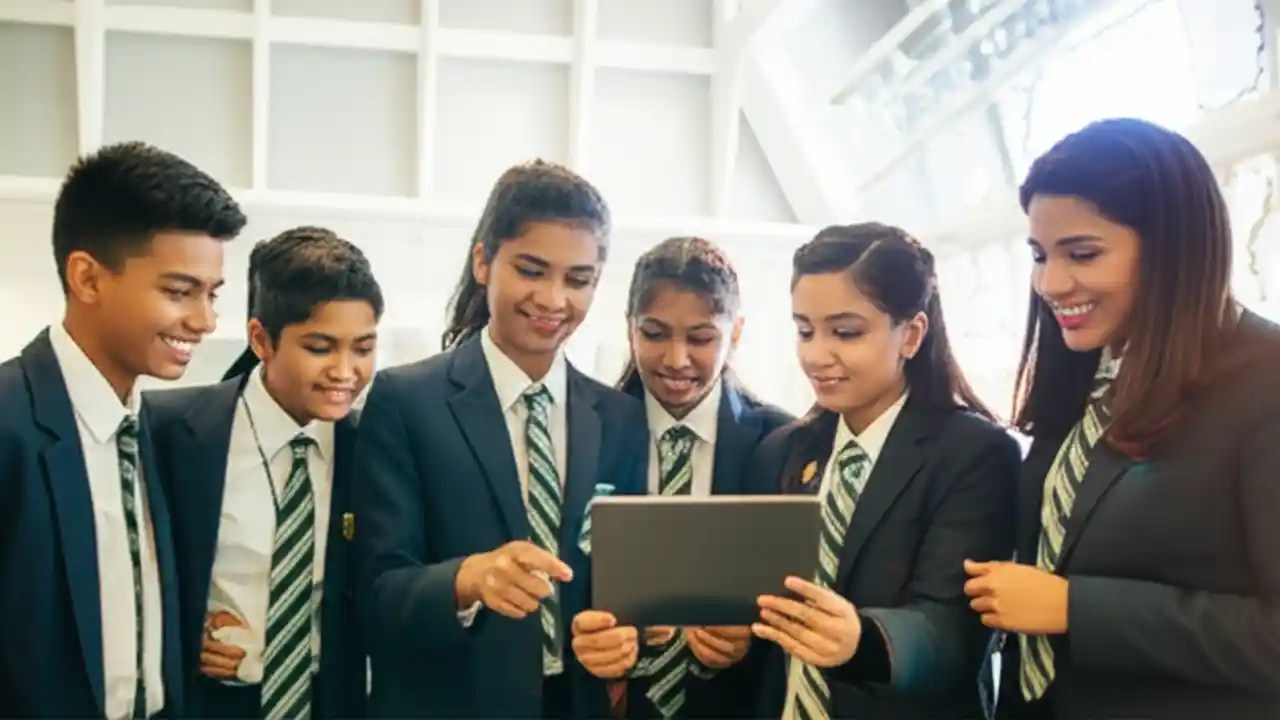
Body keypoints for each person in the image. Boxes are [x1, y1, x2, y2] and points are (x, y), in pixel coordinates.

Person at [965, 118, 1280, 720]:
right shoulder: (1090, 369)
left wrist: (1074, 608)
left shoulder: (1266, 380)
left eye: (1082, 253)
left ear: (1173, 247)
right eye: (1039, 255)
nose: (1051, 283)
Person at [354, 160, 648, 718]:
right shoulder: (405, 400)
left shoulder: (620, 418)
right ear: (484, 261)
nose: (554, 299)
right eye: (532, 270)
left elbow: (624, 588)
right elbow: (374, 594)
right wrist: (467, 580)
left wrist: (623, 638)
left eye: (578, 280)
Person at [0, 141, 245, 717]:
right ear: (87, 277)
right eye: (178, 291)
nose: (204, 321)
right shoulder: (10, 424)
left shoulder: (151, 429)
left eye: (212, 295)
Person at [748, 223, 1019, 719]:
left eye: (845, 332)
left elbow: (954, 633)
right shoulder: (781, 452)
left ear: (911, 334)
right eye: (804, 330)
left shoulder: (974, 455)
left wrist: (862, 641)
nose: (815, 355)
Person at [145, 227, 382, 719]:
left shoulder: (373, 447)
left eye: (362, 348)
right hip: (210, 702)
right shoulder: (169, 430)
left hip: (328, 702)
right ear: (260, 339)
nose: (345, 371)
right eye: (320, 347)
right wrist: (181, 636)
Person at [570, 236, 793, 718]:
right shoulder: (584, 431)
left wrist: (751, 638)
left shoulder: (783, 443)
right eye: (654, 334)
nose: (675, 359)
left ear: (735, 333)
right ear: (629, 329)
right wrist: (587, 638)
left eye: (700, 338)